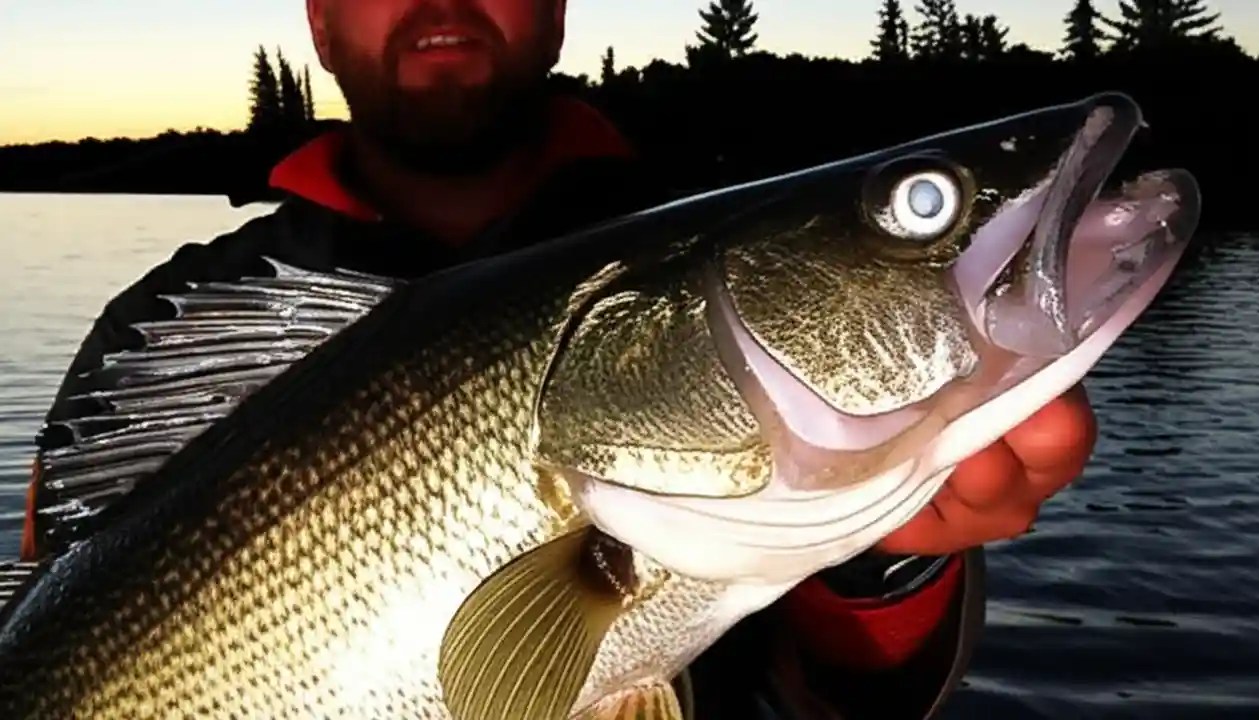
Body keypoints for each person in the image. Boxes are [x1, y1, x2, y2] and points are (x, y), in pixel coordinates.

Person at [20, 0, 1098, 717]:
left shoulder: (700, 243)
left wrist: (885, 562)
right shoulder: (160, 332)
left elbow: (851, 705)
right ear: (318, 22)